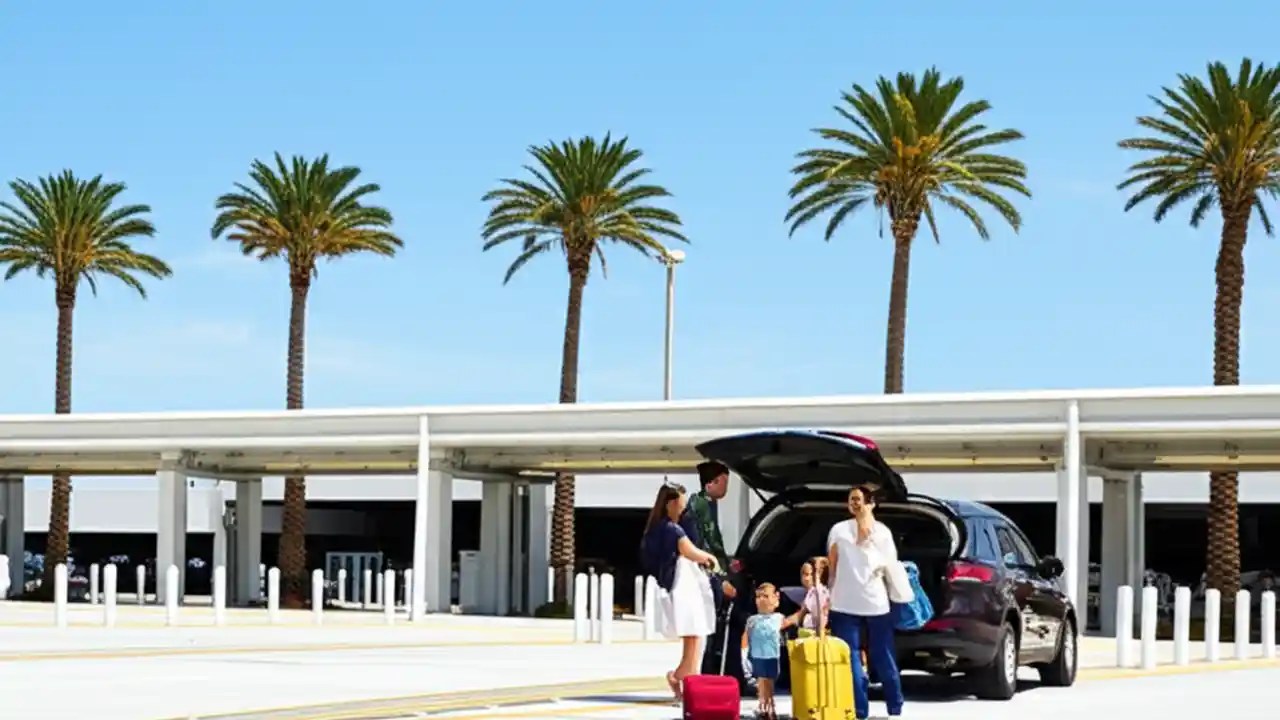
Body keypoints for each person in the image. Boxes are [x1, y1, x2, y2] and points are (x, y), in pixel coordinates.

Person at [826, 485, 904, 719]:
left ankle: (874, 708)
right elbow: (890, 565)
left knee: (864, 654)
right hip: (862, 600)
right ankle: (883, 707)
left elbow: (834, 563)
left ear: (870, 503)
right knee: (872, 654)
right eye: (852, 499)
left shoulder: (866, 531)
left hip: (858, 600)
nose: (855, 503)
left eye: (858, 499)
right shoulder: (873, 532)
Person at [642, 481, 719, 700]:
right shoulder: (672, 529)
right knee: (694, 633)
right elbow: (693, 552)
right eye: (681, 502)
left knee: (692, 636)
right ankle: (680, 677)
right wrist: (712, 559)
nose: (683, 507)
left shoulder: (655, 529)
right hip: (682, 587)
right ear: (671, 503)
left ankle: (686, 680)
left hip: (672, 586)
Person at [680, 461, 748, 683]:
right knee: (720, 628)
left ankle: (722, 674)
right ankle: (721, 676)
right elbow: (707, 547)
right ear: (714, 482)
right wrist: (720, 579)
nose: (726, 488)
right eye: (725, 481)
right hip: (707, 576)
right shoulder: (701, 507)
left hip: (710, 573)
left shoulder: (705, 504)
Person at [746, 583, 792, 718]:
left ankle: (770, 704)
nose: (761, 599)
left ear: (775, 599)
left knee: (770, 682)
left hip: (772, 655)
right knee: (761, 681)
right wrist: (745, 654)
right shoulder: (752, 620)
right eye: (758, 596)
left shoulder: (779, 618)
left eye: (765, 596)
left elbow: (787, 627)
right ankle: (762, 705)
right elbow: (747, 637)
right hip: (757, 655)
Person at [788, 556, 831, 638]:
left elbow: (823, 615)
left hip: (818, 636)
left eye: (809, 574)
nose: (806, 578)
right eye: (804, 574)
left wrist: (820, 635)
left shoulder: (821, 592)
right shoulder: (811, 593)